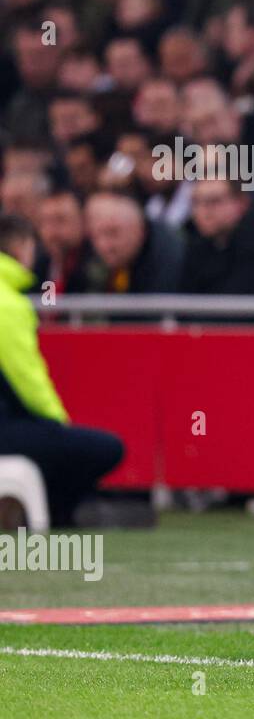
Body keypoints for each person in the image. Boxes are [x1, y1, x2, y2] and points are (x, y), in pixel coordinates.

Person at [0, 213, 124, 528]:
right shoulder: (8, 304)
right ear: (21, 247)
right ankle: (55, 513)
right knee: (102, 449)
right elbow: (27, 379)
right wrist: (57, 428)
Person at [180, 176, 254, 295]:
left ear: (242, 203)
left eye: (214, 201)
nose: (204, 211)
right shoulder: (195, 248)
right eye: (196, 202)